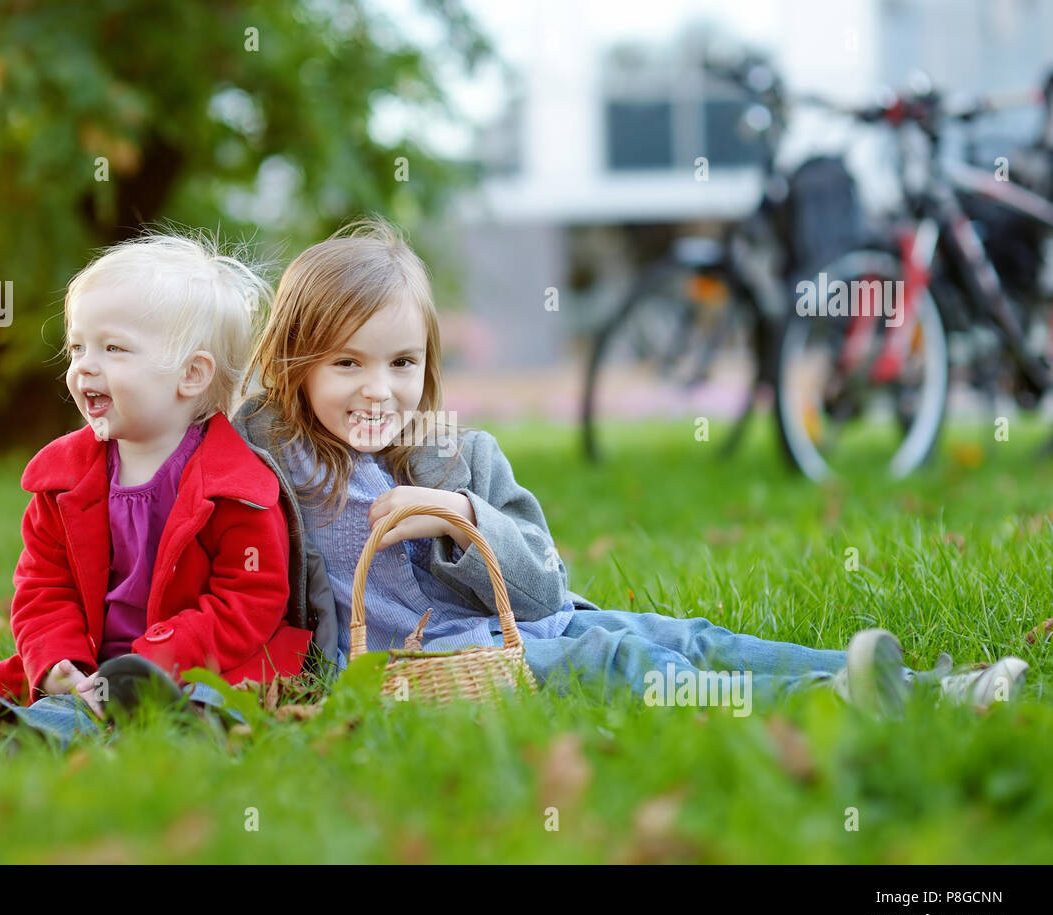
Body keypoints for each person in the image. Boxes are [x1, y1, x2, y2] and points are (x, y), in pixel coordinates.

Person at [231, 219, 1029, 717]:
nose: (380, 389)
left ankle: (931, 685)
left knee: (686, 635)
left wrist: (467, 519)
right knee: (621, 663)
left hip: (533, 622)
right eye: (346, 362)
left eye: (402, 362)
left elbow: (544, 585)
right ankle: (836, 698)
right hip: (427, 667)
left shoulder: (456, 454)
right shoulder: (271, 463)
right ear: (297, 362)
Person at [0, 232, 313, 749]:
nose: (84, 366)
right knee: (63, 701)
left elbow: (249, 598)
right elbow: (44, 586)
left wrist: (156, 658)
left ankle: (123, 722)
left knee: (203, 704)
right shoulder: (64, 481)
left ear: (191, 375)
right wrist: (60, 663)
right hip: (91, 662)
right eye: (77, 347)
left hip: (198, 665)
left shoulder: (238, 488)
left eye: (113, 348)